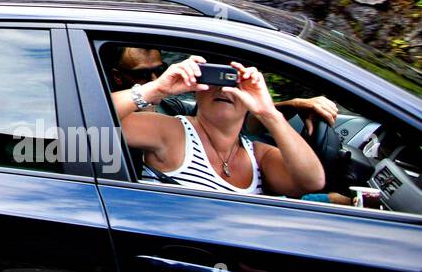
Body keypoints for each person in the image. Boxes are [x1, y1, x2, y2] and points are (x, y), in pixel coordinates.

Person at [119, 58, 325, 197]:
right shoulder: (171, 132)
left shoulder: (259, 156)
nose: (224, 89)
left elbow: (312, 181)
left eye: (236, 82)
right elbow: (90, 117)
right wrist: (157, 89)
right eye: (214, 77)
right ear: (196, 90)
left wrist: (269, 112)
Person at [107, 46, 339, 133]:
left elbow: (233, 121)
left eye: (160, 70)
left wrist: (293, 105)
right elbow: (90, 116)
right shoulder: (97, 112)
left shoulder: (172, 107)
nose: (156, 78)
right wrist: (155, 90)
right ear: (117, 77)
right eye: (142, 74)